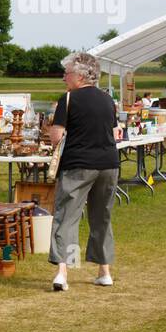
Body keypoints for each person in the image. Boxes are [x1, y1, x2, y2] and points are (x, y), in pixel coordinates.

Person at [48, 51, 119, 291]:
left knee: (67, 217)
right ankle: (104, 272)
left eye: (66, 74)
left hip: (78, 165)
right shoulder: (108, 100)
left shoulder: (68, 100)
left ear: (79, 76)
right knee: (101, 217)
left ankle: (64, 273)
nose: (64, 78)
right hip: (109, 164)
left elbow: (56, 136)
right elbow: (116, 132)